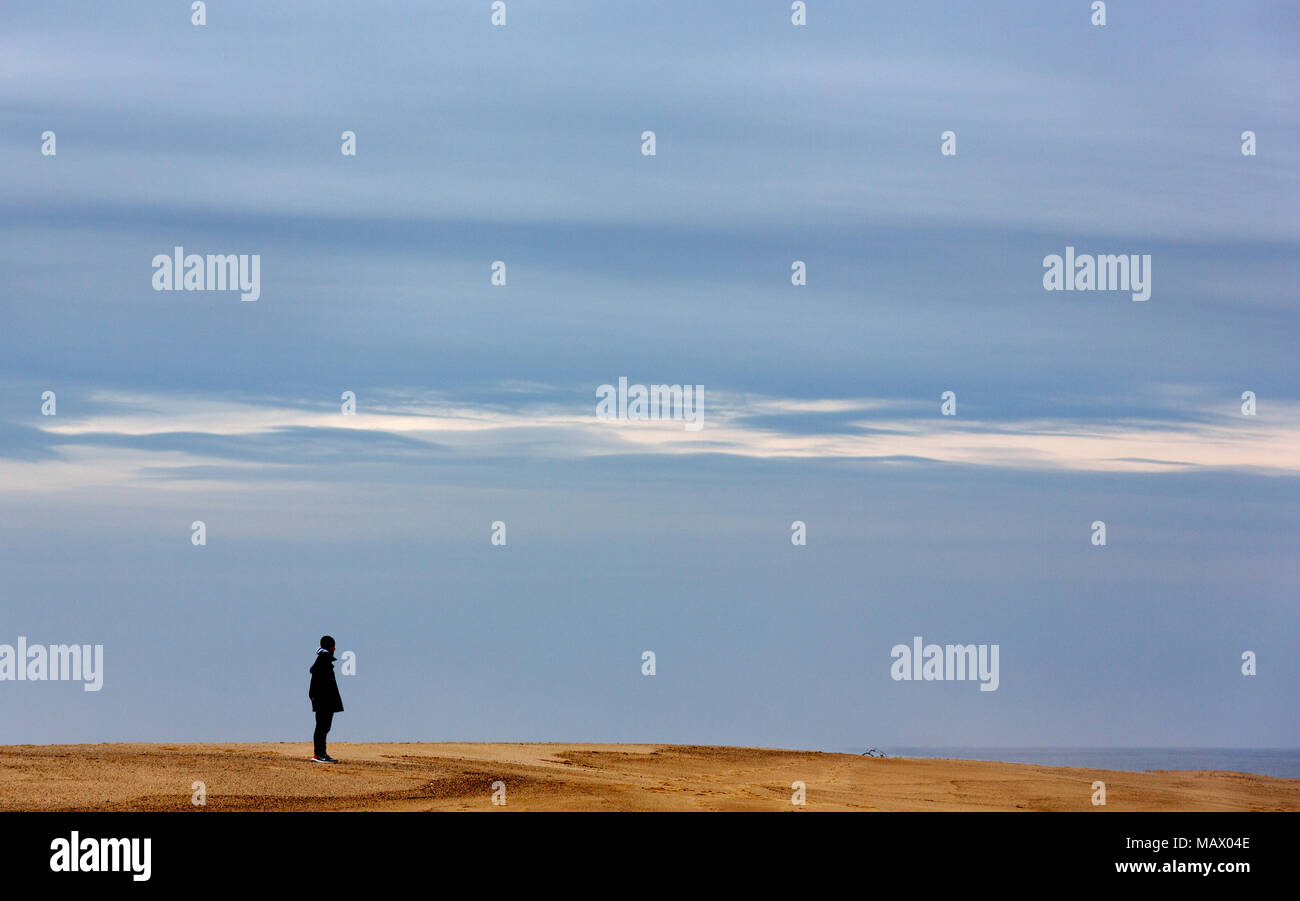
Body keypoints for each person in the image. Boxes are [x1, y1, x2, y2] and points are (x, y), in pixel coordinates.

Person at [309, 635, 344, 763]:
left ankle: (320, 753)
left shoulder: (324, 660)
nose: (335, 648)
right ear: (330, 647)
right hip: (323, 701)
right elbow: (318, 682)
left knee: (323, 727)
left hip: (323, 700)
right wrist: (316, 698)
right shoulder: (323, 660)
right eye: (333, 646)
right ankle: (319, 754)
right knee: (322, 727)